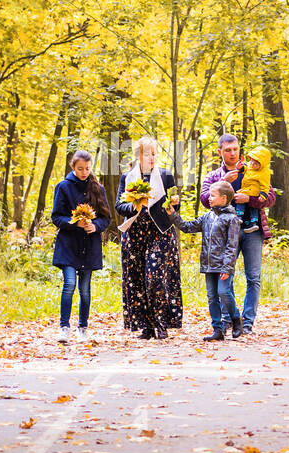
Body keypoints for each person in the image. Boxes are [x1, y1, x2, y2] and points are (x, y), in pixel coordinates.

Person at [200, 133, 276, 335]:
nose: (233, 153)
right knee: (225, 277)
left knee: (253, 277)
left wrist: (249, 199)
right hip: (225, 235)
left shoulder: (252, 169)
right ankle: (228, 320)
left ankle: (248, 321)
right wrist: (224, 181)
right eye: (228, 150)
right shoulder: (214, 176)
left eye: (235, 149)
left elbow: (270, 197)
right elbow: (205, 199)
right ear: (220, 152)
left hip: (252, 231)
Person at [116, 135, 183, 340]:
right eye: (147, 154)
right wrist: (135, 204)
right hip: (134, 234)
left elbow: (174, 205)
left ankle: (161, 323)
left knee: (154, 278)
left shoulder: (165, 176)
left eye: (154, 154)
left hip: (159, 234)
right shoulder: (127, 177)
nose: (151, 158)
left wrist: (174, 204)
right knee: (137, 279)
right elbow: (120, 206)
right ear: (138, 156)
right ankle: (145, 326)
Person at [50, 150, 111, 342]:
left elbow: (106, 217)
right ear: (72, 167)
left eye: (87, 168)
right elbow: (56, 216)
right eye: (80, 168)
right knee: (69, 284)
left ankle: (83, 328)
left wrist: (96, 226)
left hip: (89, 246)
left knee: (85, 289)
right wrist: (73, 223)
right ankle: (64, 327)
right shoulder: (63, 187)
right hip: (68, 245)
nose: (84, 172)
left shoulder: (97, 188)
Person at [170, 180, 242, 340]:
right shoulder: (207, 217)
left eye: (213, 196)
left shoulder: (232, 219)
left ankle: (236, 319)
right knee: (212, 296)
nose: (209, 198)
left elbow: (232, 246)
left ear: (224, 198)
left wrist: (227, 267)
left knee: (224, 292)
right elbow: (187, 227)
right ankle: (217, 329)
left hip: (223, 265)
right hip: (208, 264)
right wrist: (172, 214)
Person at [235, 145, 272, 233]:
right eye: (251, 161)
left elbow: (265, 185)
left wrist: (263, 194)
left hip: (254, 192)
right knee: (242, 202)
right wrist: (240, 168)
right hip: (246, 189)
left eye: (256, 163)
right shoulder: (250, 166)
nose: (252, 164)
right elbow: (245, 169)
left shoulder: (264, 173)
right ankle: (241, 218)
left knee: (254, 206)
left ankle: (252, 222)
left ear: (262, 164)